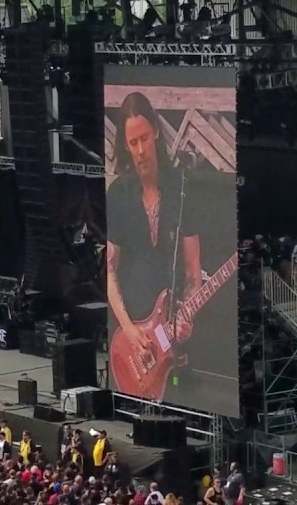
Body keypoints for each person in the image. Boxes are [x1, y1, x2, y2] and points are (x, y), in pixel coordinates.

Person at [105, 89, 235, 403]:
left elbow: (193, 272)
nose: (139, 150)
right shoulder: (120, 193)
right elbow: (109, 270)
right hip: (130, 335)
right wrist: (130, 329)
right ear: (125, 144)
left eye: (144, 138)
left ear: (157, 133)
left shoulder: (180, 190)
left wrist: (186, 315)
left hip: (169, 339)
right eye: (132, 142)